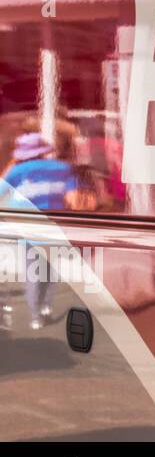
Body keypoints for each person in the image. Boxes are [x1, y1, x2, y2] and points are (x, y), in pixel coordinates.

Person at [0, 132, 80, 329]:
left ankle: (36, 315)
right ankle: (46, 306)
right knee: (50, 269)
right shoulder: (64, 168)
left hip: (28, 227)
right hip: (53, 226)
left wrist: (11, 164)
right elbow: (73, 196)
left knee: (33, 271)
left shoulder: (17, 171)